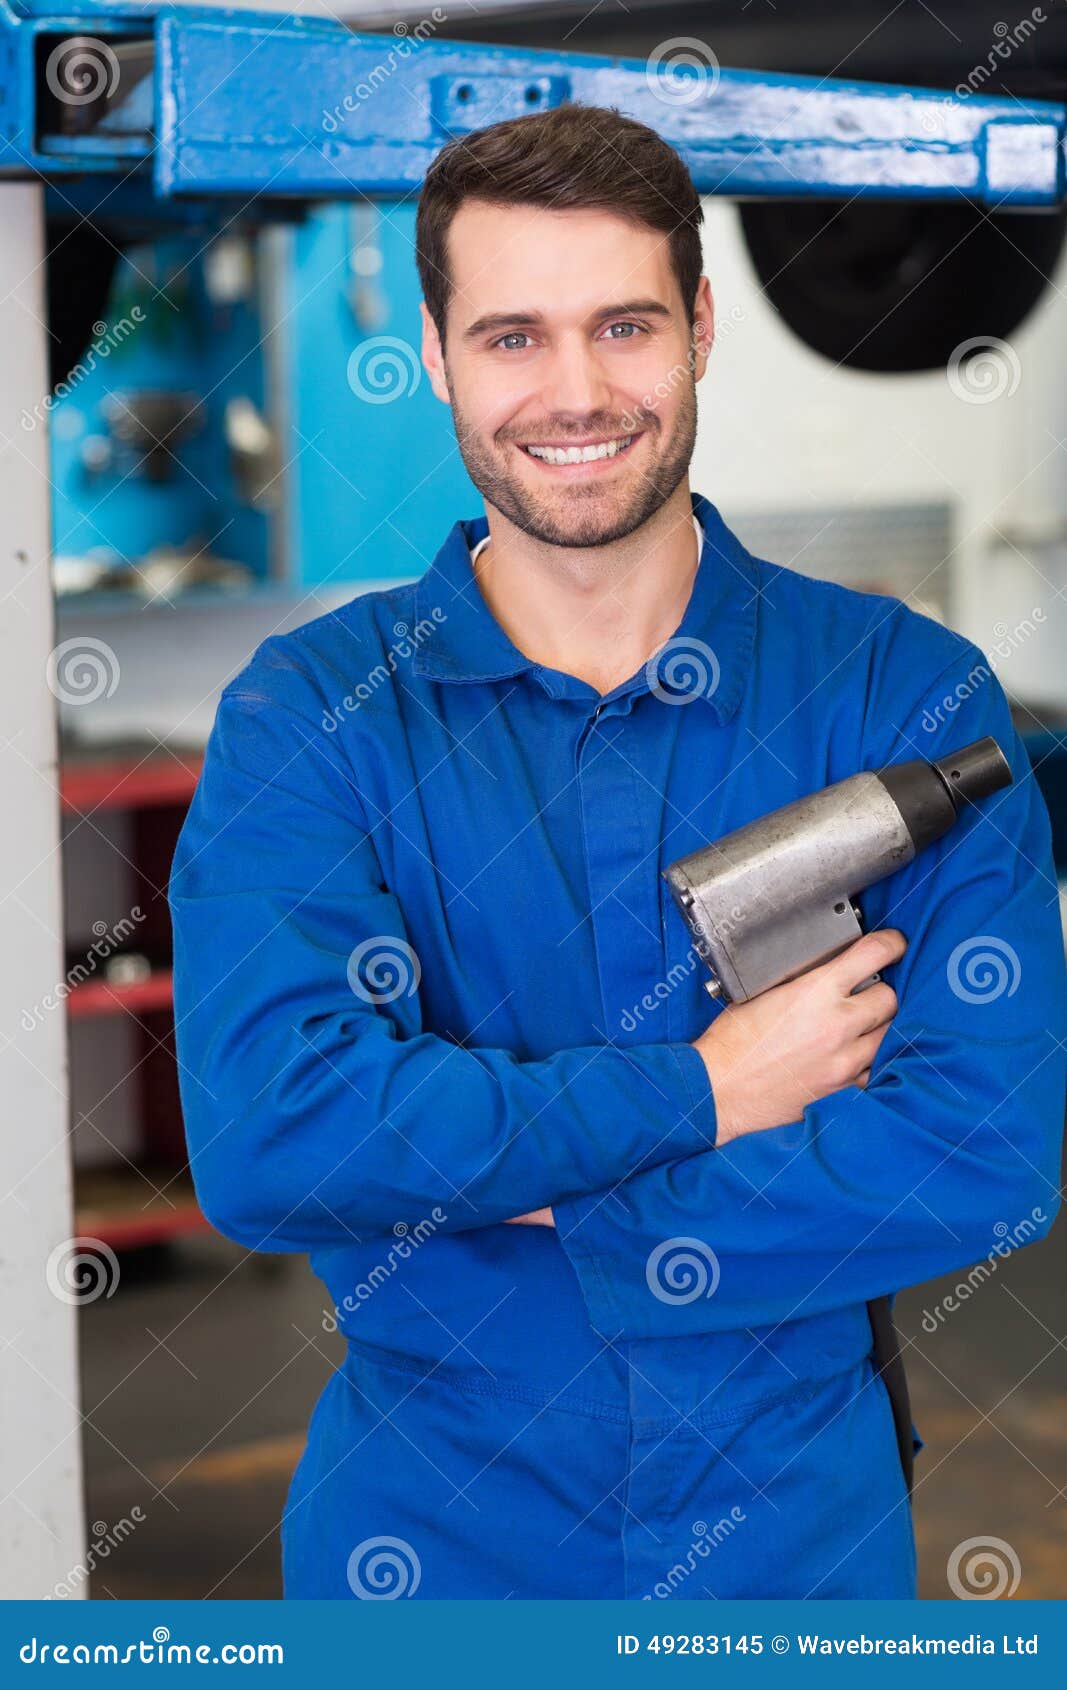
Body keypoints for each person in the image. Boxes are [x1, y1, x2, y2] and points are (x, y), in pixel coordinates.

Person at [169, 103, 1066, 1600]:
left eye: (625, 326)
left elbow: (979, 1155)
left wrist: (520, 1197)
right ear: (438, 356)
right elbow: (276, 1141)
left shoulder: (903, 694)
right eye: (513, 336)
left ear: (702, 328)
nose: (577, 391)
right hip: (434, 1554)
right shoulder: (317, 713)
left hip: (799, 1557)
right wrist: (709, 1091)